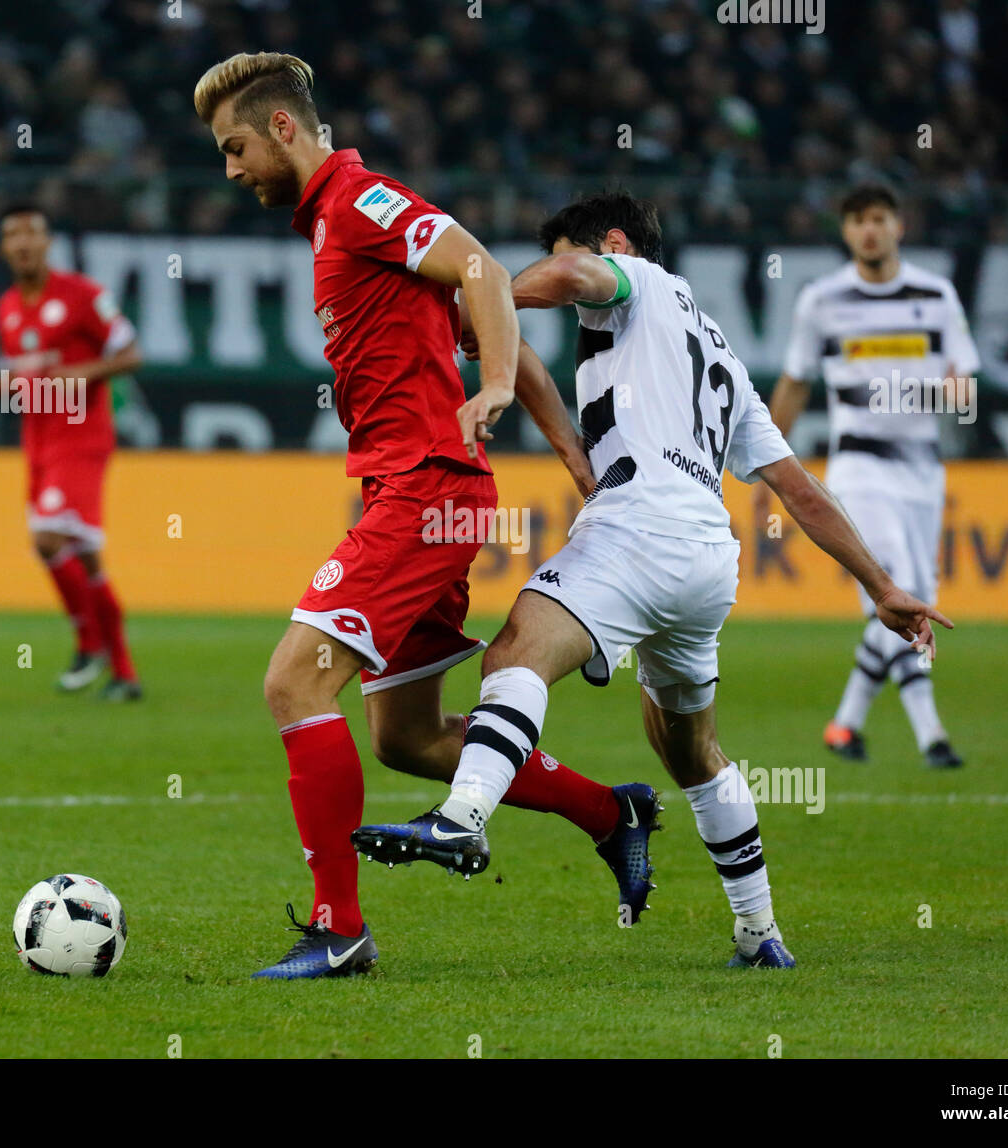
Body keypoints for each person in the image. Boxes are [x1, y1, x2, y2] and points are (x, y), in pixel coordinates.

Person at [355, 192, 954, 968]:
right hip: (707, 561)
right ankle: (759, 932)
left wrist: (491, 288)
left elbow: (573, 273)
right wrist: (880, 587)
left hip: (639, 532)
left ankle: (463, 815)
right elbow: (796, 487)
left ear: (616, 246)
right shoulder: (723, 361)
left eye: (588, 251)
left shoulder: (643, 284)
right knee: (691, 750)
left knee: (515, 658)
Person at [194, 53, 659, 980]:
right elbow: (478, 309)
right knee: (405, 736)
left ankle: (340, 931)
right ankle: (615, 813)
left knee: (293, 685)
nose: (232, 168)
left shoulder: (360, 203)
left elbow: (482, 268)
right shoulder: (335, 225)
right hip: (425, 493)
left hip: (427, 491)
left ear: (283, 128)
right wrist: (567, 451)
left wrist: (486, 388)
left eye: (236, 146)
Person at [756, 183, 978, 767]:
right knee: (899, 587)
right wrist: (766, 454)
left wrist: (931, 390)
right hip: (857, 465)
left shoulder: (936, 295)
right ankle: (933, 738)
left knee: (913, 599)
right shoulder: (823, 300)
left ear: (898, 225)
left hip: (923, 470)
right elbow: (797, 380)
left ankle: (845, 726)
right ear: (846, 231)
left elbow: (966, 390)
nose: (869, 230)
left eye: (878, 218)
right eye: (857, 220)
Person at [0, 204, 142, 700]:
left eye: (31, 232)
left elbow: (131, 352)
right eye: (12, 234)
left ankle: (89, 644)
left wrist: (87, 373)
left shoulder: (83, 296)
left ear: (47, 241)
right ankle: (124, 674)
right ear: (3, 248)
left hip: (81, 438)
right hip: (38, 442)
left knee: (49, 539)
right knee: (89, 561)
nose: (22, 243)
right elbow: (27, 388)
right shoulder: (7, 309)